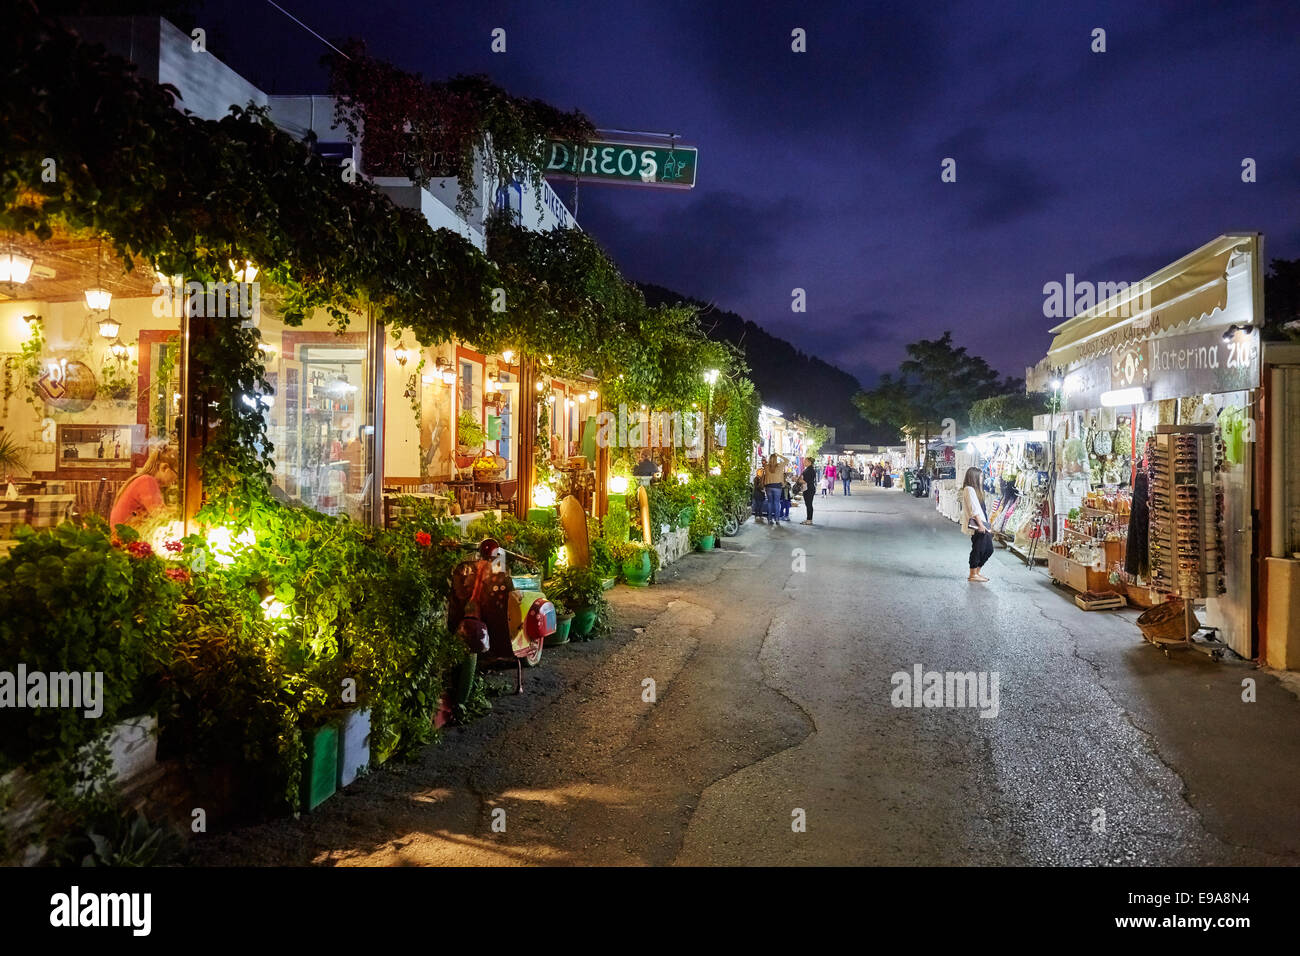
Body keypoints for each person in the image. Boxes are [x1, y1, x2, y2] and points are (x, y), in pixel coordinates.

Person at [109, 446, 179, 530]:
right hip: (125, 540)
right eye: (177, 473)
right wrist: (183, 513)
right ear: (164, 468)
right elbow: (161, 516)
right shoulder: (147, 481)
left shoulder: (143, 480)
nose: (176, 479)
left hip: (123, 539)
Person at [960, 466, 993, 582]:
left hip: (983, 524)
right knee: (978, 548)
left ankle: (976, 572)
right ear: (974, 477)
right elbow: (974, 509)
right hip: (978, 526)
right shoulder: (969, 489)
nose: (982, 479)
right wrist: (980, 525)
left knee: (988, 549)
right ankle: (973, 573)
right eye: (980, 476)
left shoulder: (975, 490)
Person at [763, 453, 789, 525]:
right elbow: (787, 460)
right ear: (776, 459)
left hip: (768, 486)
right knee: (776, 503)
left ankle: (769, 519)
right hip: (777, 486)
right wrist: (779, 455)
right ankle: (777, 519)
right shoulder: (780, 466)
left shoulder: (766, 466)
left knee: (769, 503)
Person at [799, 456, 817, 525]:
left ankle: (809, 520)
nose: (804, 462)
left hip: (809, 489)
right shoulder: (809, 469)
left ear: (809, 462)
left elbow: (806, 481)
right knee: (808, 504)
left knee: (809, 504)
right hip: (808, 488)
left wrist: (799, 480)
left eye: (805, 461)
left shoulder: (810, 470)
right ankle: (808, 519)